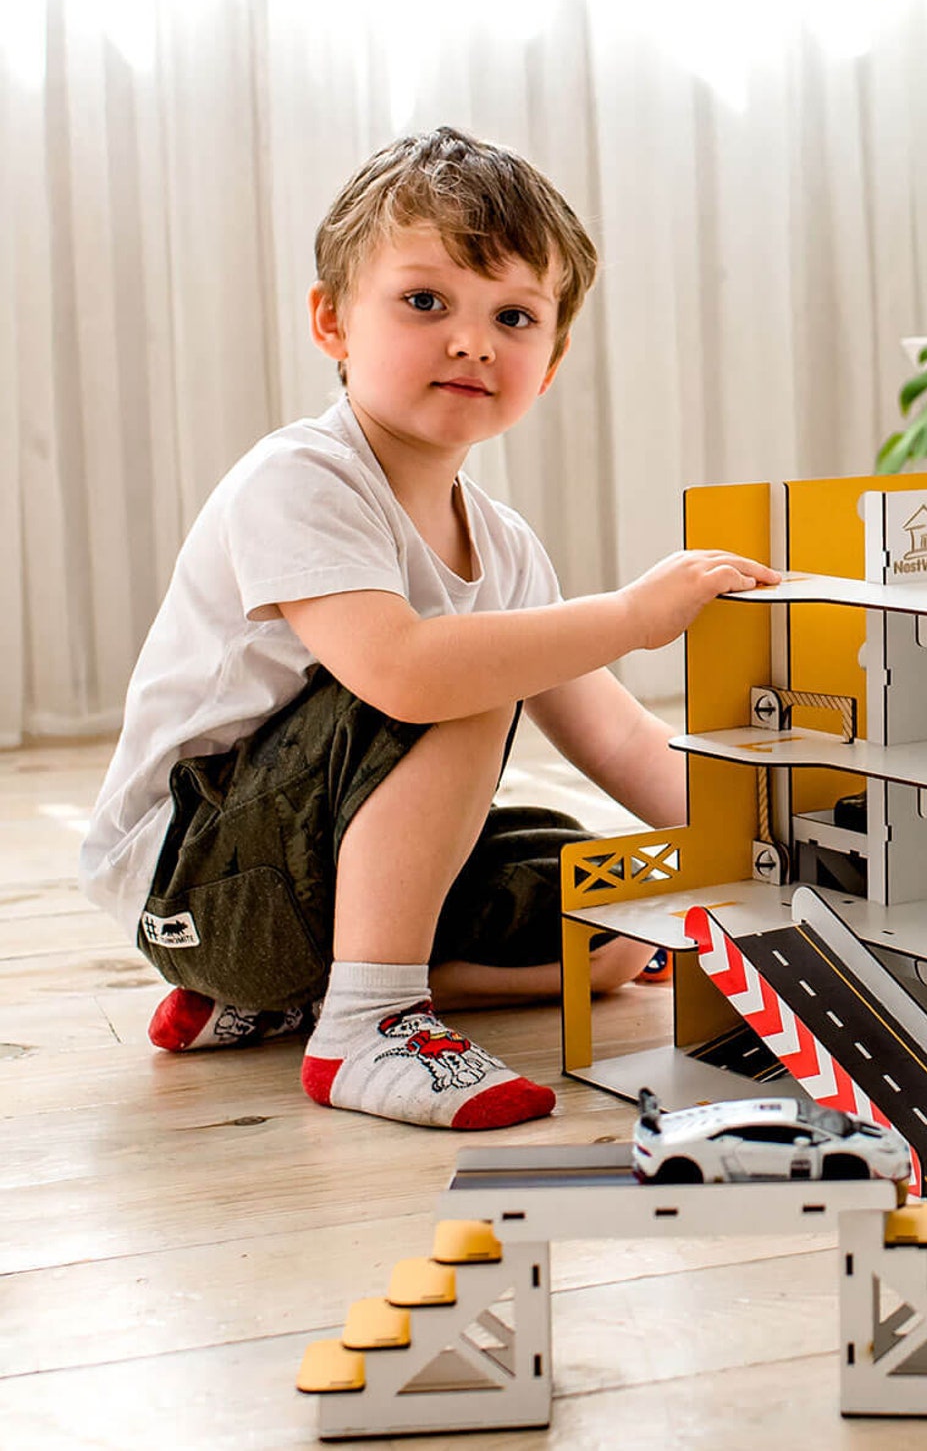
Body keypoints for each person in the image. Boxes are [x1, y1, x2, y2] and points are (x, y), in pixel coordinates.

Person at [79, 126, 778, 1130]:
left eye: (514, 315)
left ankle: (289, 993)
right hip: (202, 876)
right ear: (331, 323)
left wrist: (765, 843)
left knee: (615, 925)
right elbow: (405, 677)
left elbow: (615, 733)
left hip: (313, 873)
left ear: (550, 358)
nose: (472, 340)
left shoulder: (501, 542)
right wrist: (628, 616)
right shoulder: (299, 479)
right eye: (424, 303)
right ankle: (367, 1021)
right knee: (460, 667)